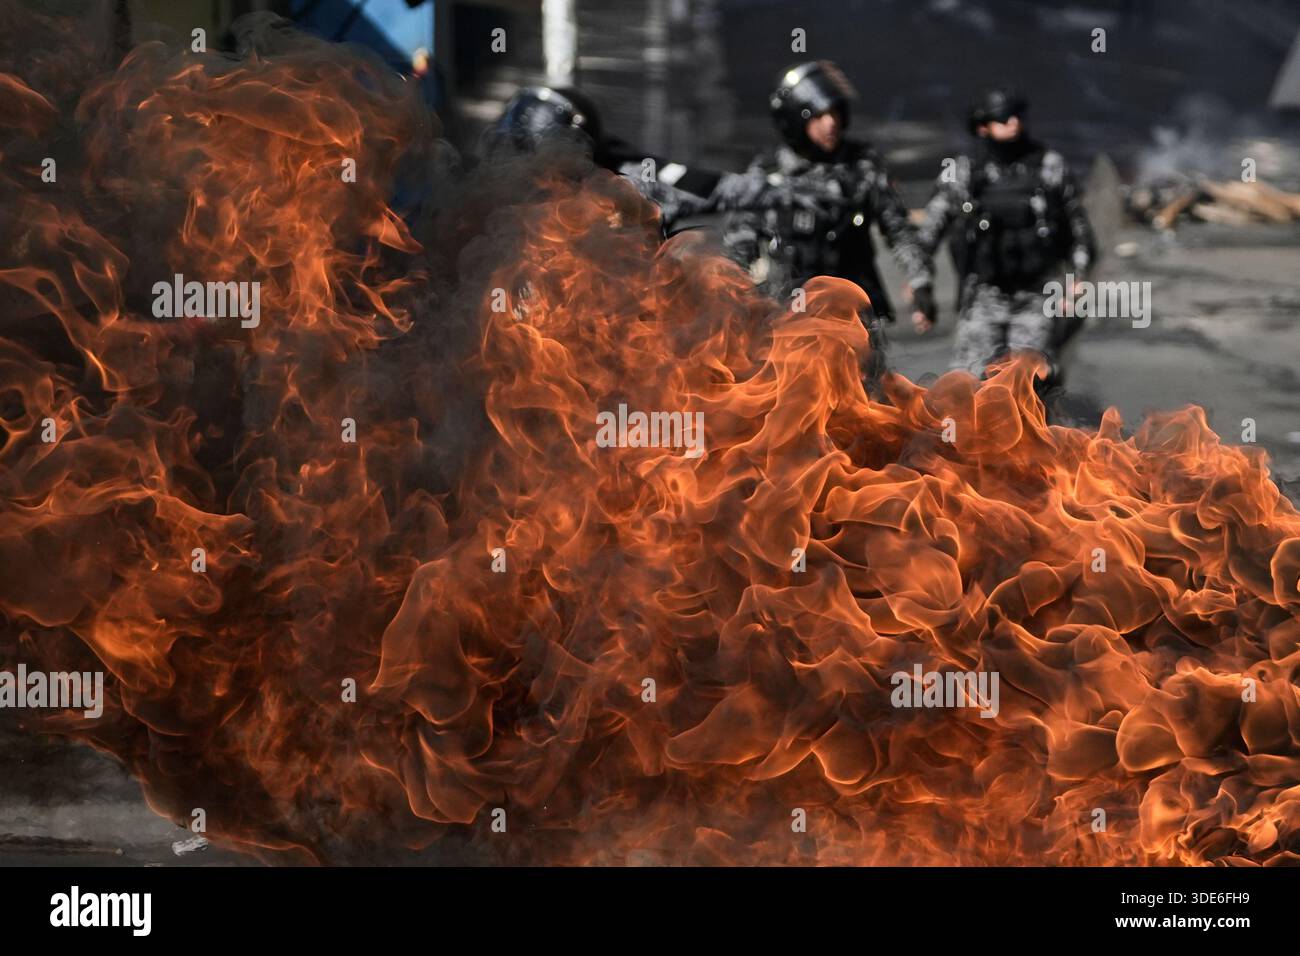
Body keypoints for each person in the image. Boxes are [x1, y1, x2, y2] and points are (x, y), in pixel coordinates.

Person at [721, 60, 937, 348]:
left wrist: (920, 282)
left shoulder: (862, 167)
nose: (831, 123)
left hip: (855, 320)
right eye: (819, 116)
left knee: (864, 392)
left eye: (835, 113)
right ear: (797, 120)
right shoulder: (768, 176)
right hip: (788, 324)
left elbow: (898, 231)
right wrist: (733, 305)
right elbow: (739, 247)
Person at [915, 87, 1096, 387]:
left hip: (1036, 294)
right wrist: (921, 285)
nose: (1013, 122)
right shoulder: (964, 171)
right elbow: (929, 231)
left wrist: (1077, 279)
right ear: (983, 126)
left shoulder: (1048, 166)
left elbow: (1077, 225)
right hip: (983, 294)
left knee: (1029, 385)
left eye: (1017, 115)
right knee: (967, 384)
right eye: (1003, 117)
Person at [485, 85, 838, 232]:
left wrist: (788, 190)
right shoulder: (492, 205)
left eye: (541, 158)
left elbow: (717, 187)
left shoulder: (630, 180)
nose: (528, 172)